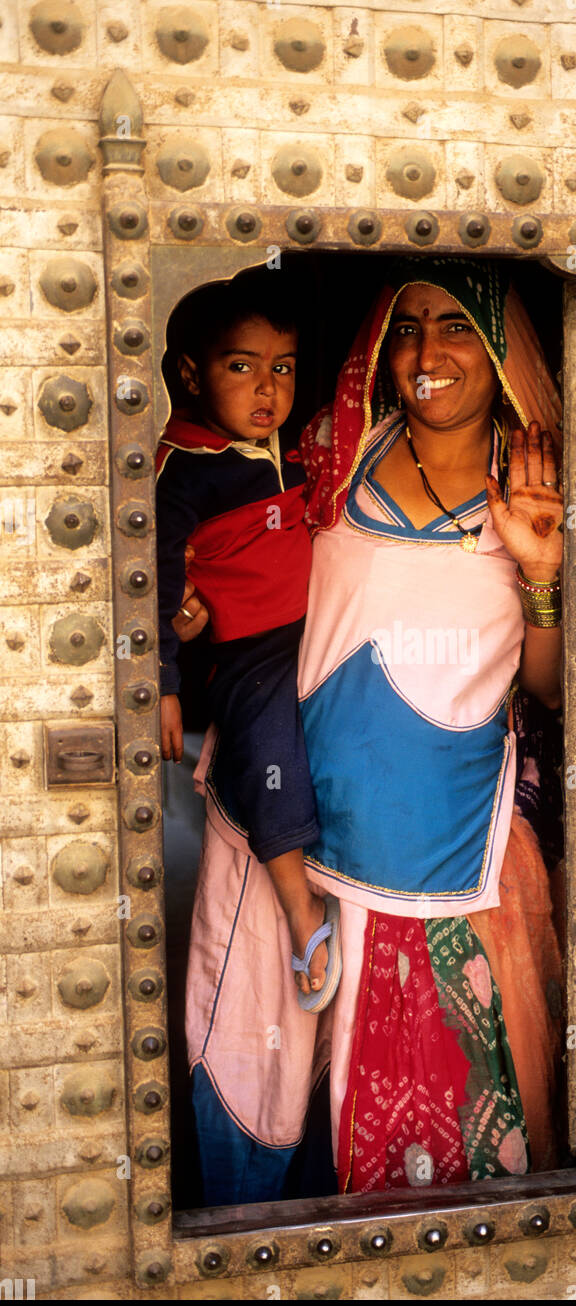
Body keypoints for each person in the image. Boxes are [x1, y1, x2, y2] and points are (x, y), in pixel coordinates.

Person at [178, 256, 565, 1200]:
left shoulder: (538, 478)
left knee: (433, 1157)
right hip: (288, 830)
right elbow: (247, 564)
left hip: (441, 843)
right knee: (266, 1088)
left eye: (455, 328)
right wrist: (186, 611)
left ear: (504, 348)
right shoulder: (333, 448)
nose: (426, 354)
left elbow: (550, 689)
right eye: (406, 328)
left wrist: (543, 572)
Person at [155, 276, 345, 1204]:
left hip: (318, 635)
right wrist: (159, 676)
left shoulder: (291, 449)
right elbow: (147, 569)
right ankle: (301, 913)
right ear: (190, 373)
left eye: (283, 369)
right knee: (263, 749)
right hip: (253, 652)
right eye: (242, 368)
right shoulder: (184, 467)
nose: (268, 387)